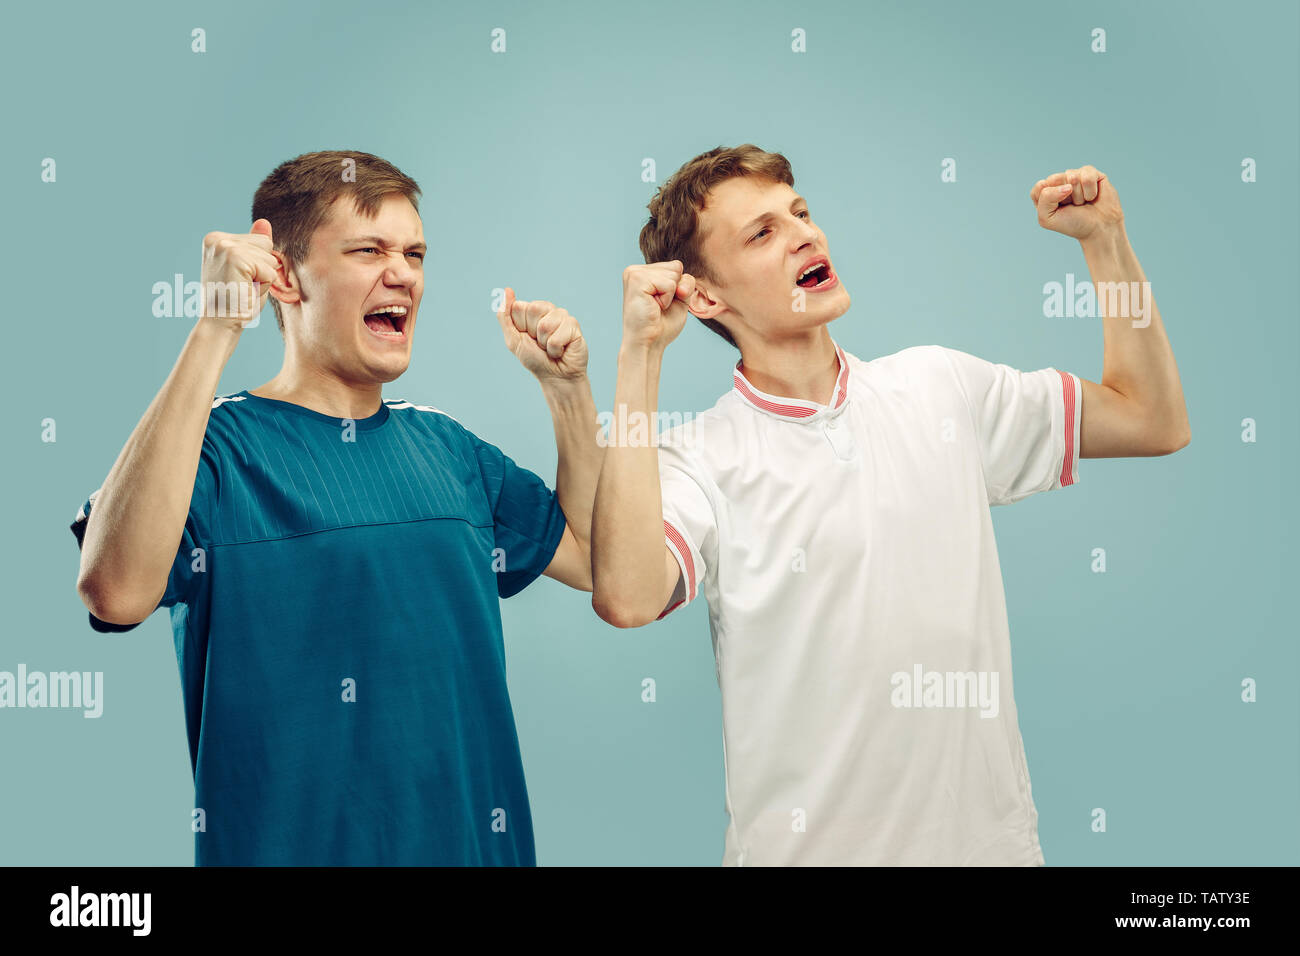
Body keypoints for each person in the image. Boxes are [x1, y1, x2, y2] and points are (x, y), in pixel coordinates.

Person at [590, 144, 1190, 865]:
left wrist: (1106, 240)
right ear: (706, 297)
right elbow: (627, 596)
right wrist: (639, 357)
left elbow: (1151, 419)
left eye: (801, 213)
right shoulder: (699, 457)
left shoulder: (940, 388)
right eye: (763, 233)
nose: (805, 235)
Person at [70, 150, 602, 866]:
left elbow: (607, 563)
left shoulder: (452, 452)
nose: (404, 272)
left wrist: (568, 396)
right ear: (282, 275)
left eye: (414, 252)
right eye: (369, 250)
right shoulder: (213, 453)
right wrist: (216, 330)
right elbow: (116, 591)